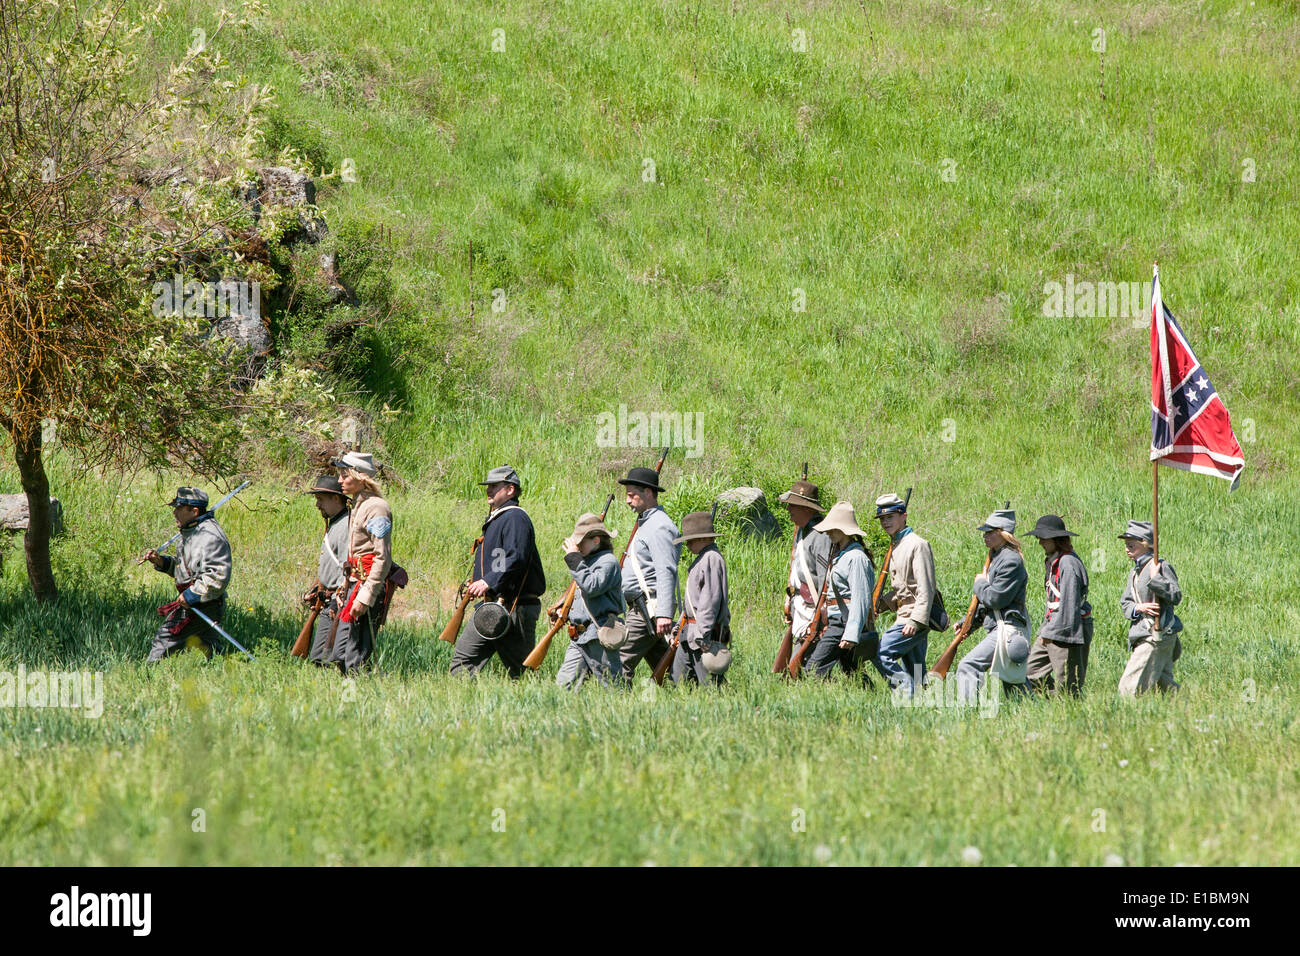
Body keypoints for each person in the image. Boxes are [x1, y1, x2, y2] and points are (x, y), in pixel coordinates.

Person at [450, 465, 546, 678]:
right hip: (493, 605)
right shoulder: (501, 518)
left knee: (522, 674)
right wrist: (483, 581)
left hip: (514, 608)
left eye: (494, 486)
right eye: (488, 486)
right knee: (463, 664)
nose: (489, 490)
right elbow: (503, 559)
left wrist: (488, 581)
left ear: (510, 490)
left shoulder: (514, 518)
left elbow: (516, 557)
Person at [142, 486, 233, 661]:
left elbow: (217, 575)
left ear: (194, 511)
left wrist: (191, 595)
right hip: (201, 603)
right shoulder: (191, 530)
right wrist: (161, 562)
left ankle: (146, 677)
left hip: (203, 604)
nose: (174, 512)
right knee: (210, 648)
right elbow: (184, 568)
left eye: (179, 508)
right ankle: (224, 676)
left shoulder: (210, 537)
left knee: (164, 639)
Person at [955, 509, 1032, 700]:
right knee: (1014, 682)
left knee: (968, 666)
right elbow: (987, 603)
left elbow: (995, 599)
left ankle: (966, 714)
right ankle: (1034, 711)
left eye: (990, 532)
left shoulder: (1010, 561)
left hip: (1007, 628)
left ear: (1003, 533)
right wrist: (968, 623)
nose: (985, 536)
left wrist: (979, 582)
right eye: (985, 532)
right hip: (1000, 626)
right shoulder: (997, 557)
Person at [329, 452, 393, 675]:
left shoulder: (376, 508)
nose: (339, 480)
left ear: (360, 477)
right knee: (341, 653)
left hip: (366, 586)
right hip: (354, 583)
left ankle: (357, 699)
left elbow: (382, 558)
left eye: (344, 475)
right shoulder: (358, 505)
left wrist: (365, 596)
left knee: (355, 655)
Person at [616, 466, 681, 681]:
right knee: (666, 667)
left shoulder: (659, 526)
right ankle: (686, 695)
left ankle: (615, 704)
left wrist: (664, 613)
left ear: (649, 493)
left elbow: (666, 570)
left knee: (619, 661)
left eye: (632, 495)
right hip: (643, 608)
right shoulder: (648, 523)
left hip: (648, 610)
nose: (628, 501)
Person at [872, 492, 936, 696]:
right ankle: (921, 703)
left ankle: (904, 693)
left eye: (890, 517)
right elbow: (903, 589)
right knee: (916, 672)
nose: (885, 522)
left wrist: (916, 620)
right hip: (904, 613)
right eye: (882, 519)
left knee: (880, 653)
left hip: (913, 616)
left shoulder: (917, 544)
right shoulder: (897, 544)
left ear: (904, 515)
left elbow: (926, 588)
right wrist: (879, 606)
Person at [805, 501, 876, 682]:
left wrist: (852, 633)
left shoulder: (856, 557)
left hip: (845, 623)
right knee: (854, 674)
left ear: (843, 529)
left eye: (832, 528)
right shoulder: (842, 555)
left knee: (813, 669)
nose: (828, 532)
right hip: (839, 621)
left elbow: (860, 598)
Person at [555, 512, 626, 690]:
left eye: (581, 542)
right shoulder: (587, 561)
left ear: (596, 540)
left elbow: (591, 586)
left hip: (599, 634)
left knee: (614, 688)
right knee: (564, 686)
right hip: (579, 637)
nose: (577, 546)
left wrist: (574, 559)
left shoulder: (608, 562)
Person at [1023, 514, 1092, 696]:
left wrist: (1059, 633)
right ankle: (1057, 703)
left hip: (1066, 629)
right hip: (1052, 626)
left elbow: (1069, 604)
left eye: (1044, 538)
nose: (1040, 543)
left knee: (1069, 684)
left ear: (1057, 539)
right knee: (1031, 672)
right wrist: (1046, 630)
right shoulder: (1054, 560)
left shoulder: (1068, 563)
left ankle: (1067, 709)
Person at [1116, 520, 1183, 697]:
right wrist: (1139, 607)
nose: (1126, 549)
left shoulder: (1161, 566)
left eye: (1131, 545)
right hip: (1144, 633)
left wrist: (1156, 579)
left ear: (1145, 544)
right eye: (1126, 545)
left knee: (1128, 688)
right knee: (1164, 686)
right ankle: (1185, 708)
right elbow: (1126, 603)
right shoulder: (1134, 572)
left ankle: (1127, 719)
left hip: (1157, 635)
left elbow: (1175, 596)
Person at [670, 511, 731, 687]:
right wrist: (679, 624)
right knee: (678, 683)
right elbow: (692, 601)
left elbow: (709, 602)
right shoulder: (704, 558)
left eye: (691, 540)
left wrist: (702, 635)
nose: (688, 544)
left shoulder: (711, 558)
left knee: (711, 686)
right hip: (689, 631)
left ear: (704, 538)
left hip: (701, 635)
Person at [777, 479, 831, 661]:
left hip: (813, 608)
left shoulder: (821, 536)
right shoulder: (802, 531)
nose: (789, 510)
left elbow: (825, 579)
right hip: (800, 605)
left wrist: (823, 613)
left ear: (807, 509)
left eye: (793, 506)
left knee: (805, 664)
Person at [301, 474, 351, 665]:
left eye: (321, 499)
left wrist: (338, 596)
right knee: (319, 659)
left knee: (325, 660)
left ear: (336, 499)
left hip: (337, 601)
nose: (317, 505)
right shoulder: (335, 523)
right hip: (328, 598)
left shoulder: (345, 525)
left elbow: (348, 567)